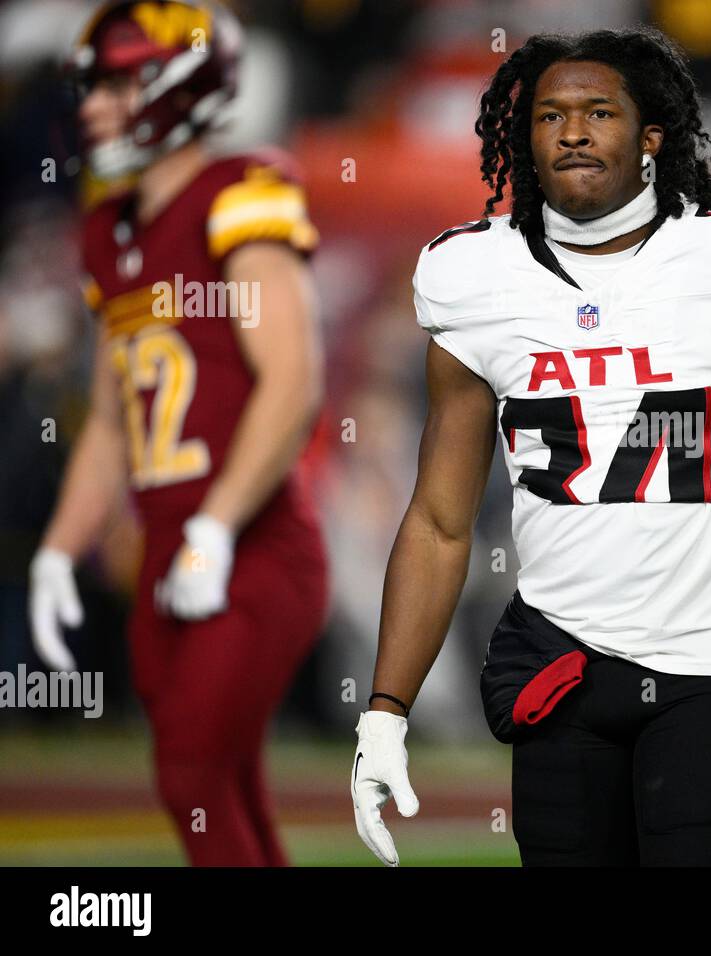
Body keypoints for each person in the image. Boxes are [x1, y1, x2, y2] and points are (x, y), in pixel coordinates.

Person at [350, 27, 711, 867]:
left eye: (598, 112)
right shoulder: (475, 278)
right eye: (550, 115)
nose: (572, 132)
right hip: (559, 661)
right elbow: (439, 520)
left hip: (709, 659)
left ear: (651, 134)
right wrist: (385, 710)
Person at [28, 0, 328, 866]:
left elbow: (293, 383)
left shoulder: (240, 194)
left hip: (255, 546)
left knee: (191, 775)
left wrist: (215, 525)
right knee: (220, 785)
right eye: (94, 85)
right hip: (166, 553)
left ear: (176, 82)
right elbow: (114, 425)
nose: (91, 105)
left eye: (118, 82)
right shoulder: (107, 230)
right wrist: (59, 549)